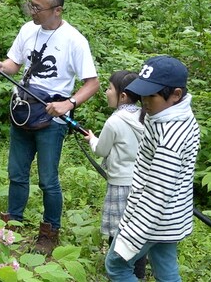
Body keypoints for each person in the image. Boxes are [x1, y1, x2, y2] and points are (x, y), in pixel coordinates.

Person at [0, 0, 99, 255]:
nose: (32, 11)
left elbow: (92, 83)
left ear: (57, 11)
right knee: (17, 173)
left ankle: (49, 231)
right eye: (31, 5)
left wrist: (68, 103)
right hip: (22, 111)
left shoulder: (74, 40)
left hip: (51, 119)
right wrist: (2, 67)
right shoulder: (27, 30)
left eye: (38, 7)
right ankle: (12, 222)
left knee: (48, 179)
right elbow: (15, 63)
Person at [105, 55, 200, 282]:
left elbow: (158, 191)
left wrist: (133, 234)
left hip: (152, 218)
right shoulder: (167, 116)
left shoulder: (170, 135)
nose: (145, 101)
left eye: (152, 96)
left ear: (176, 95)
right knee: (167, 273)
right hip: (170, 219)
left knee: (116, 266)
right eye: (143, 94)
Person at [83, 70, 148, 280]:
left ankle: (119, 273)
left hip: (120, 184)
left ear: (122, 96)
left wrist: (93, 138)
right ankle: (138, 272)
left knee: (118, 233)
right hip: (142, 184)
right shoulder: (146, 117)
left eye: (109, 87)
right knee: (137, 231)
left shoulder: (115, 121)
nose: (106, 91)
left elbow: (101, 150)